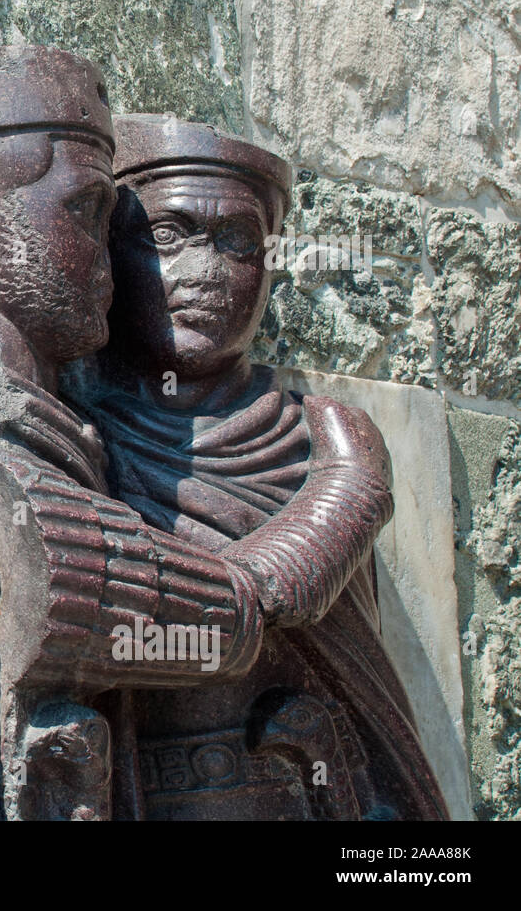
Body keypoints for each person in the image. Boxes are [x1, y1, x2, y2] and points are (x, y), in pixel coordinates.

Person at [0, 46, 400, 819]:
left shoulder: (49, 407)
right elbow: (66, 587)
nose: (110, 265)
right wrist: (308, 537)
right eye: (93, 214)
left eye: (240, 243)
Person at [80, 113, 446, 819]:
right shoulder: (84, 435)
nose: (206, 274)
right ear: (108, 253)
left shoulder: (328, 437)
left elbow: (285, 595)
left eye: (238, 242)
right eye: (166, 237)